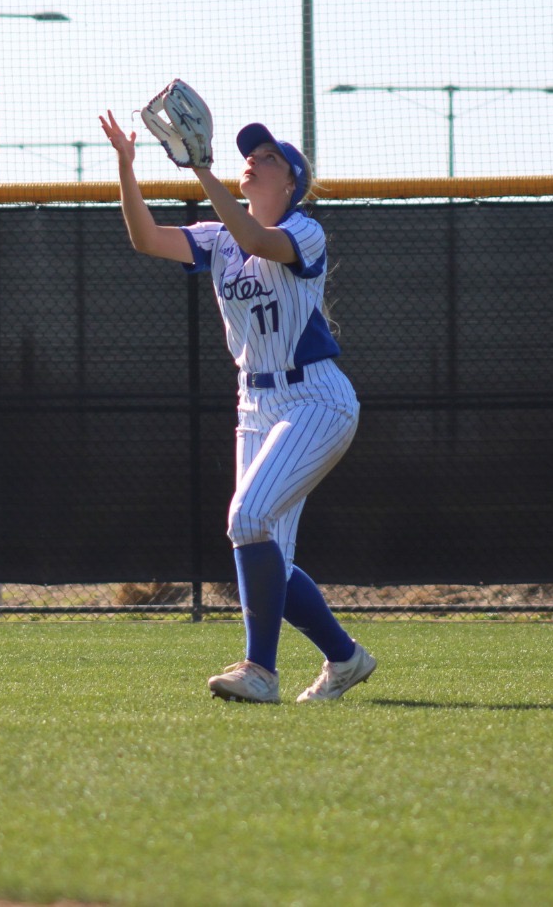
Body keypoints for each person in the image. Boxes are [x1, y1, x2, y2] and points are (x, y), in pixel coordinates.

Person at [98, 111, 376, 703]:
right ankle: (345, 657)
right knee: (268, 551)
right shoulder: (217, 236)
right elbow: (146, 238)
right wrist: (127, 168)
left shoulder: (305, 231)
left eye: (269, 157)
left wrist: (202, 170)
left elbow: (256, 241)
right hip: (255, 404)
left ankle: (260, 671)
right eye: (251, 153)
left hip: (315, 399)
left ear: (291, 184)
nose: (253, 159)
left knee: (246, 519)